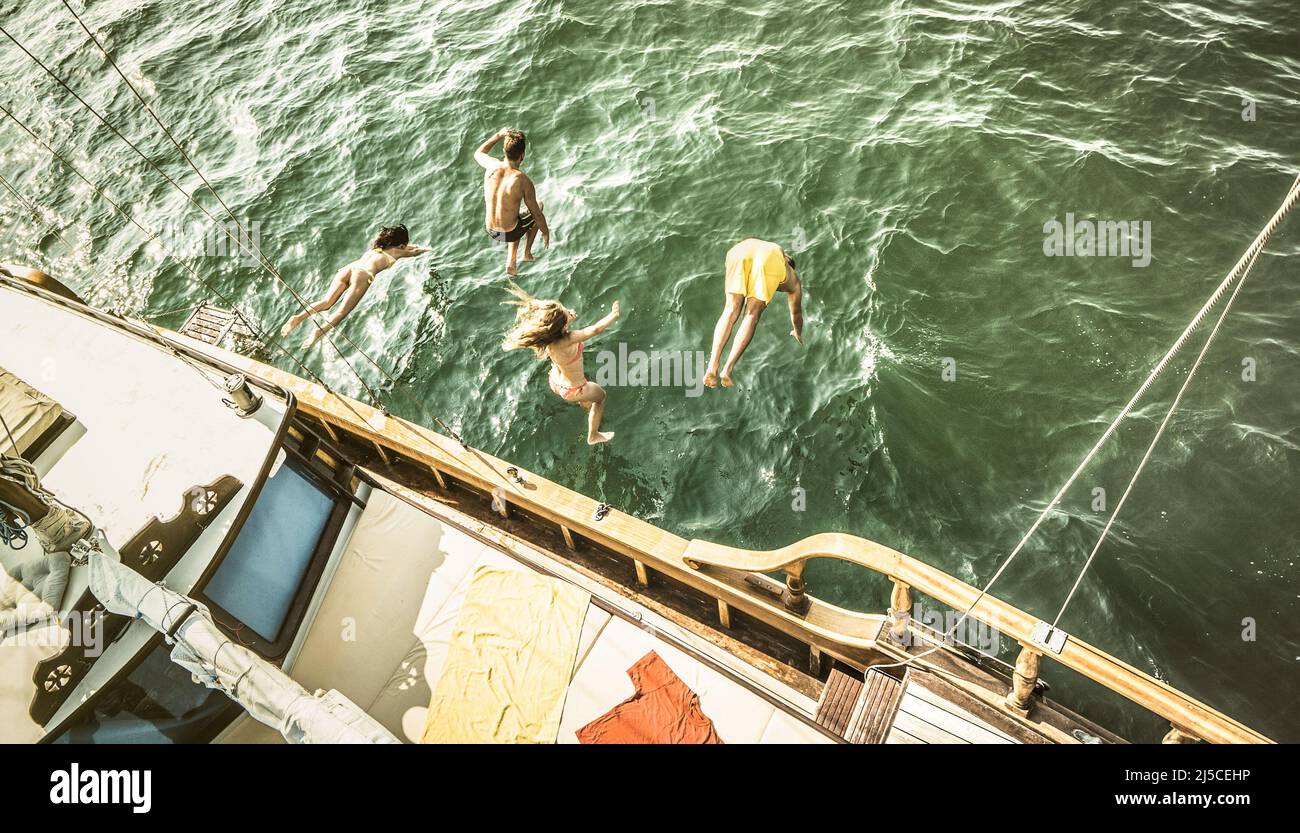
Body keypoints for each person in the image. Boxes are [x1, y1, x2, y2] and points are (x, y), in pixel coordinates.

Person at [502, 284, 619, 445]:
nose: (570, 310)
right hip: (576, 389)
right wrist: (613, 315)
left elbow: (559, 329)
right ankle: (593, 435)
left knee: (586, 398)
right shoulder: (569, 339)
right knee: (601, 397)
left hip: (556, 382)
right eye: (566, 311)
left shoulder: (549, 340)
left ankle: (586, 406)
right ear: (563, 326)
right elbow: (595, 329)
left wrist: (566, 319)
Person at [280, 225, 429, 348]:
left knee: (326, 302)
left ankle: (298, 318)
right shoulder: (398, 252)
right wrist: (428, 249)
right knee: (341, 312)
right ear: (401, 244)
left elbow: (408, 247)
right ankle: (318, 332)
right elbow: (415, 251)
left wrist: (407, 246)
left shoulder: (378, 247)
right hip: (363, 275)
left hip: (349, 269)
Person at [704, 238, 804, 388]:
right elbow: (796, 313)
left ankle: (712, 365)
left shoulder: (769, 246)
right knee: (751, 314)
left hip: (738, 252)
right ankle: (727, 369)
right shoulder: (791, 275)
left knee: (730, 310)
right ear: (788, 262)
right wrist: (797, 332)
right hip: (768, 261)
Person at [476, 128, 550, 275]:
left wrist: (498, 135)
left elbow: (479, 153)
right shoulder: (523, 181)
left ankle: (511, 261)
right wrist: (545, 232)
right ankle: (526, 253)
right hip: (510, 233)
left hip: (491, 231)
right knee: (538, 206)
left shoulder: (491, 166)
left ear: (504, 151)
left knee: (514, 213)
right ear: (522, 156)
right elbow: (536, 214)